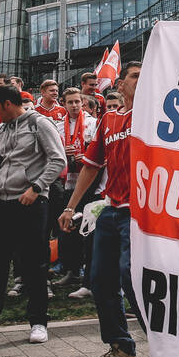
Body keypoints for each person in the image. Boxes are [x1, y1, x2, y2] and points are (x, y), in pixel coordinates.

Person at [0, 85, 65, 343]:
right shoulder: (0, 130)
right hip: (2, 204)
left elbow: (58, 159)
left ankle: (38, 322)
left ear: (7, 103)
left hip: (31, 203)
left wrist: (37, 188)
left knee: (33, 264)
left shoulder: (40, 124)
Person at [61, 63, 143, 357]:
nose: (143, 77)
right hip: (111, 210)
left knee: (131, 276)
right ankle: (121, 348)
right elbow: (92, 166)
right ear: (121, 85)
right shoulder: (109, 119)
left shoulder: (156, 114)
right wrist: (70, 207)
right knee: (100, 279)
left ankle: (167, 347)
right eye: (136, 74)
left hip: (141, 213)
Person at [57, 86, 99, 292]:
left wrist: (85, 155)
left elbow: (99, 152)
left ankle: (88, 278)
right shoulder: (58, 127)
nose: (74, 105)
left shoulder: (92, 124)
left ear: (82, 103)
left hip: (89, 185)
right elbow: (53, 155)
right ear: (63, 104)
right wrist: (63, 154)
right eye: (70, 102)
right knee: (68, 231)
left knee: (88, 231)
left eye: (77, 102)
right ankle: (71, 271)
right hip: (67, 183)